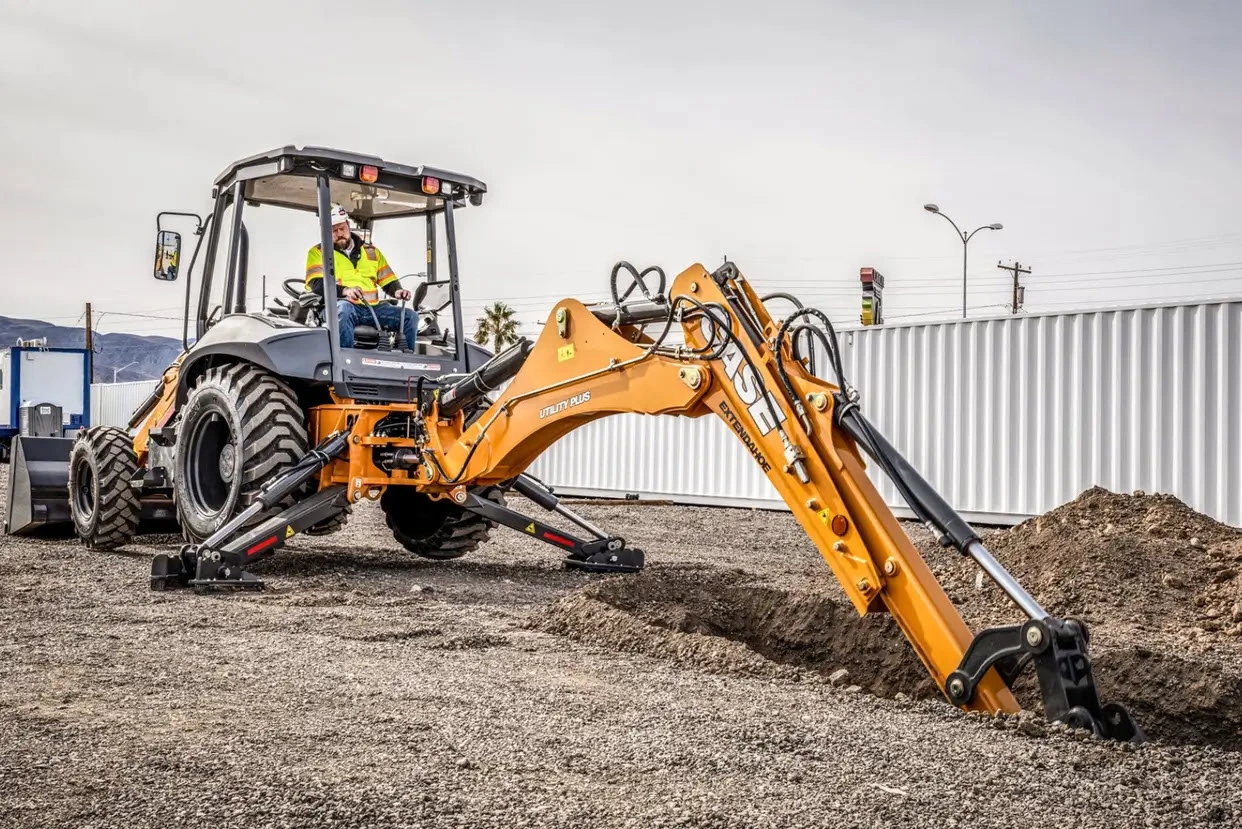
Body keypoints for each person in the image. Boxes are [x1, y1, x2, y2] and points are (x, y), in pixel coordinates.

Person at [304, 204, 417, 349]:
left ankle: (404, 361)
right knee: (344, 310)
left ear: (348, 226)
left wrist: (397, 291)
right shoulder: (318, 252)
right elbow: (316, 284)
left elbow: (388, 281)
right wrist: (345, 291)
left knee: (410, 316)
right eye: (334, 231)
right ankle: (344, 360)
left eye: (342, 229)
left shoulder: (371, 252)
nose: (339, 233)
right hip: (339, 307)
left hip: (372, 309)